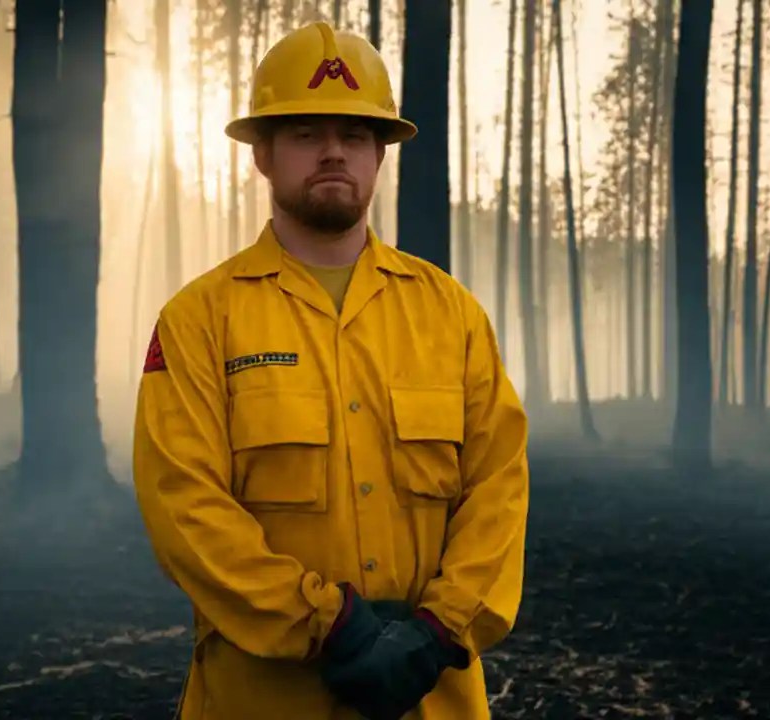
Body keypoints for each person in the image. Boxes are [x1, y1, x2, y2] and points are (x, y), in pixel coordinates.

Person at [132, 20, 530, 720]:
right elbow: (184, 508)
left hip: (429, 697)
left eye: (352, 135)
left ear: (380, 155)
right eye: (306, 135)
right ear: (262, 155)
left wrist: (437, 631)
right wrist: (330, 624)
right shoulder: (199, 321)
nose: (333, 153)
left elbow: (499, 491)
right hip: (262, 700)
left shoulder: (452, 315)